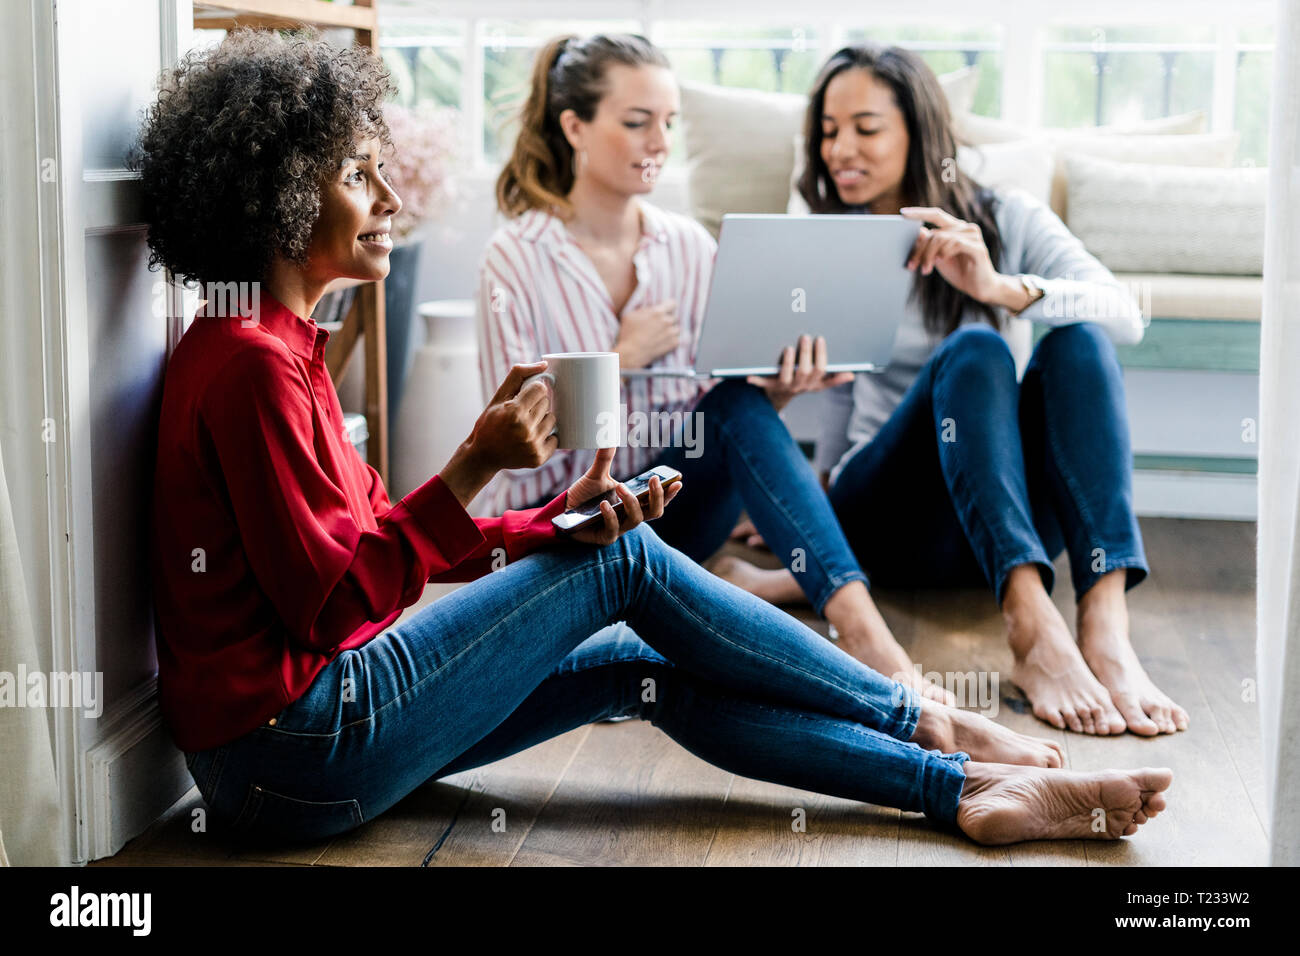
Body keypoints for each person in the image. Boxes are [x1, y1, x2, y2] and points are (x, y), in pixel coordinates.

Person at [137, 27, 1172, 849]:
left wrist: (553, 521)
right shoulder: (249, 366)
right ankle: (930, 718)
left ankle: (944, 786)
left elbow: (380, 548)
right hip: (298, 752)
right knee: (628, 566)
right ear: (273, 199)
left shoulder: (282, 346)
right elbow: (340, 599)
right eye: (362, 175)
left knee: (642, 664)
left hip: (311, 736)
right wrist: (479, 465)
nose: (390, 198)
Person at [725, 44, 1189, 738]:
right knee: (975, 349)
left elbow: (1125, 312)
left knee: (1080, 337)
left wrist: (1000, 289)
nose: (840, 149)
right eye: (827, 130)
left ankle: (1104, 623)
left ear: (919, 129)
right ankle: (1032, 626)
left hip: (1003, 525)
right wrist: (801, 519)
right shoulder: (828, 242)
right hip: (886, 514)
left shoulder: (1009, 217)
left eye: (866, 127)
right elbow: (841, 404)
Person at [477, 33, 956, 704]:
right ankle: (849, 641)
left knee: (739, 400)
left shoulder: (689, 248)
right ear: (575, 126)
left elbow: (721, 423)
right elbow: (522, 449)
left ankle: (871, 643)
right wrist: (620, 356)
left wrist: (778, 393)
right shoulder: (515, 257)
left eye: (668, 123)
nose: (659, 142)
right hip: (554, 526)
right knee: (726, 409)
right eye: (637, 121)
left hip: (660, 515)